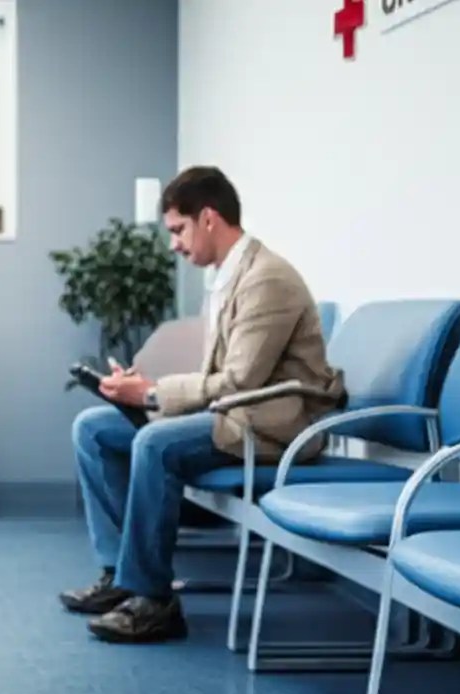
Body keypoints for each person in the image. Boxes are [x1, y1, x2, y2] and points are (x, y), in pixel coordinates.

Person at [60, 167, 343, 643]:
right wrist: (146, 389)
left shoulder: (266, 279)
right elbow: (227, 378)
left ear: (208, 218)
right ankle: (119, 575)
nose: (173, 244)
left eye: (178, 230)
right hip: (236, 413)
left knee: (153, 442)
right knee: (92, 428)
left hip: (275, 425)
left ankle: (154, 601)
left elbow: (239, 380)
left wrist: (151, 395)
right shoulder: (228, 277)